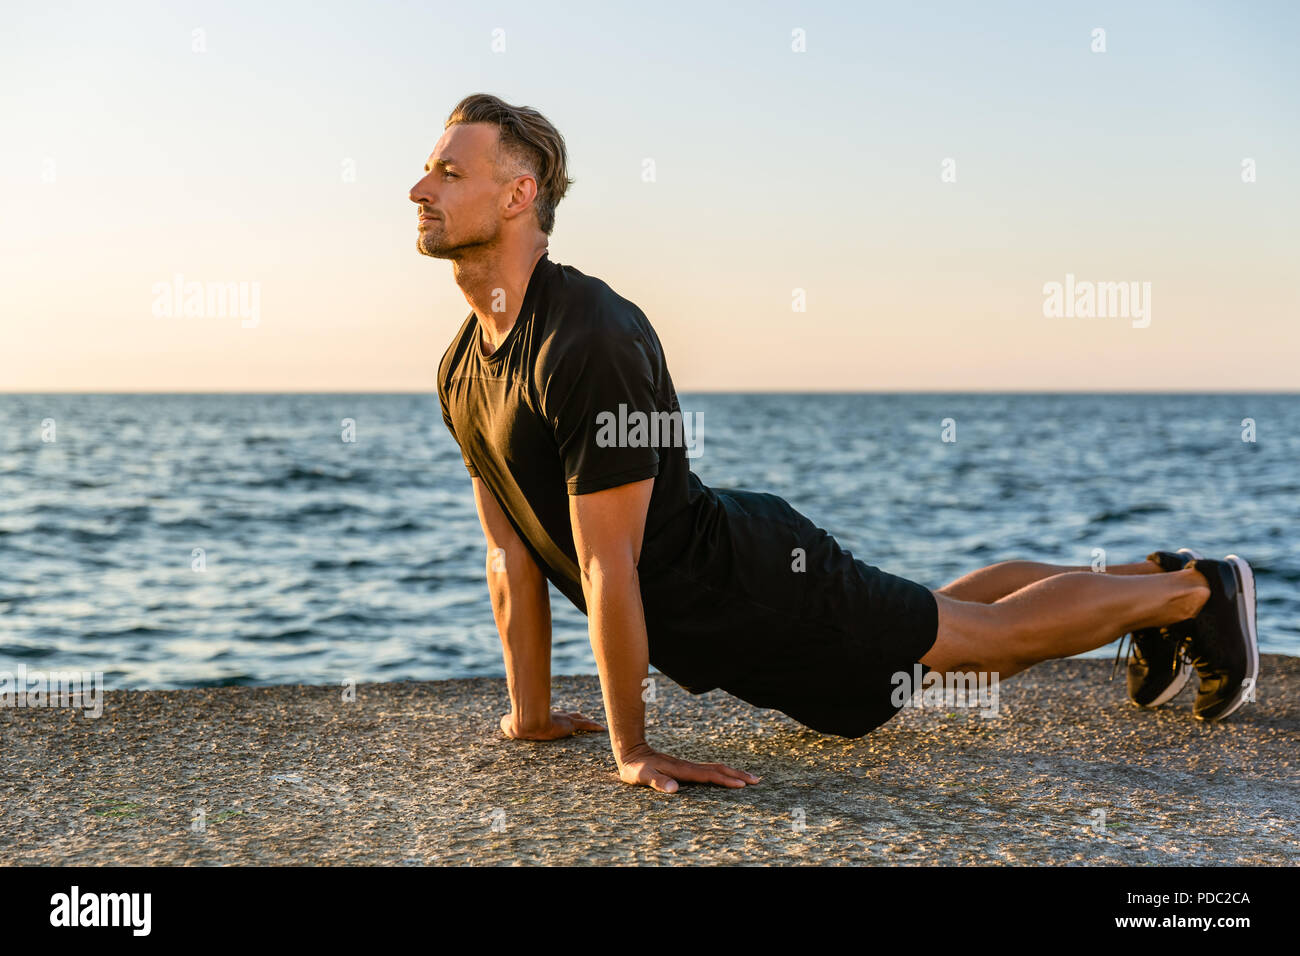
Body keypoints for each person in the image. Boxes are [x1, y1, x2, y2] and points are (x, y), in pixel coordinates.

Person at [412, 93, 1261, 795]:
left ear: (520, 195)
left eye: (450, 172)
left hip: (756, 583)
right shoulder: (463, 367)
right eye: (427, 170)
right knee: (944, 638)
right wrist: (528, 717)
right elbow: (510, 556)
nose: (420, 188)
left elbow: (608, 567)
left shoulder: (586, 338)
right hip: (739, 606)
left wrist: (630, 751)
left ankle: (1196, 593)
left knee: (981, 645)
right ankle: (1149, 587)